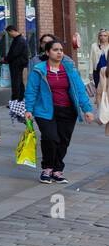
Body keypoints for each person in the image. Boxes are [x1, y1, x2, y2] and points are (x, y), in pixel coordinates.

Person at [25, 38, 95, 184]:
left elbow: (79, 90)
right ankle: (47, 168)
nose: (59, 53)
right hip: (45, 111)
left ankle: (57, 170)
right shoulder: (39, 70)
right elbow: (31, 91)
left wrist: (87, 109)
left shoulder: (69, 69)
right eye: (55, 50)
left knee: (63, 141)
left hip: (68, 112)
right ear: (47, 52)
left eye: (61, 50)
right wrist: (29, 109)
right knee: (50, 138)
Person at [3, 24, 29, 99]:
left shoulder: (19, 40)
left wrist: (6, 59)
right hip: (18, 63)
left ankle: (15, 100)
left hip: (17, 64)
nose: (9, 35)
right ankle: (20, 99)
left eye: (9, 33)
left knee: (16, 82)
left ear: (12, 31)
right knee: (19, 81)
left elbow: (14, 53)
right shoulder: (19, 39)